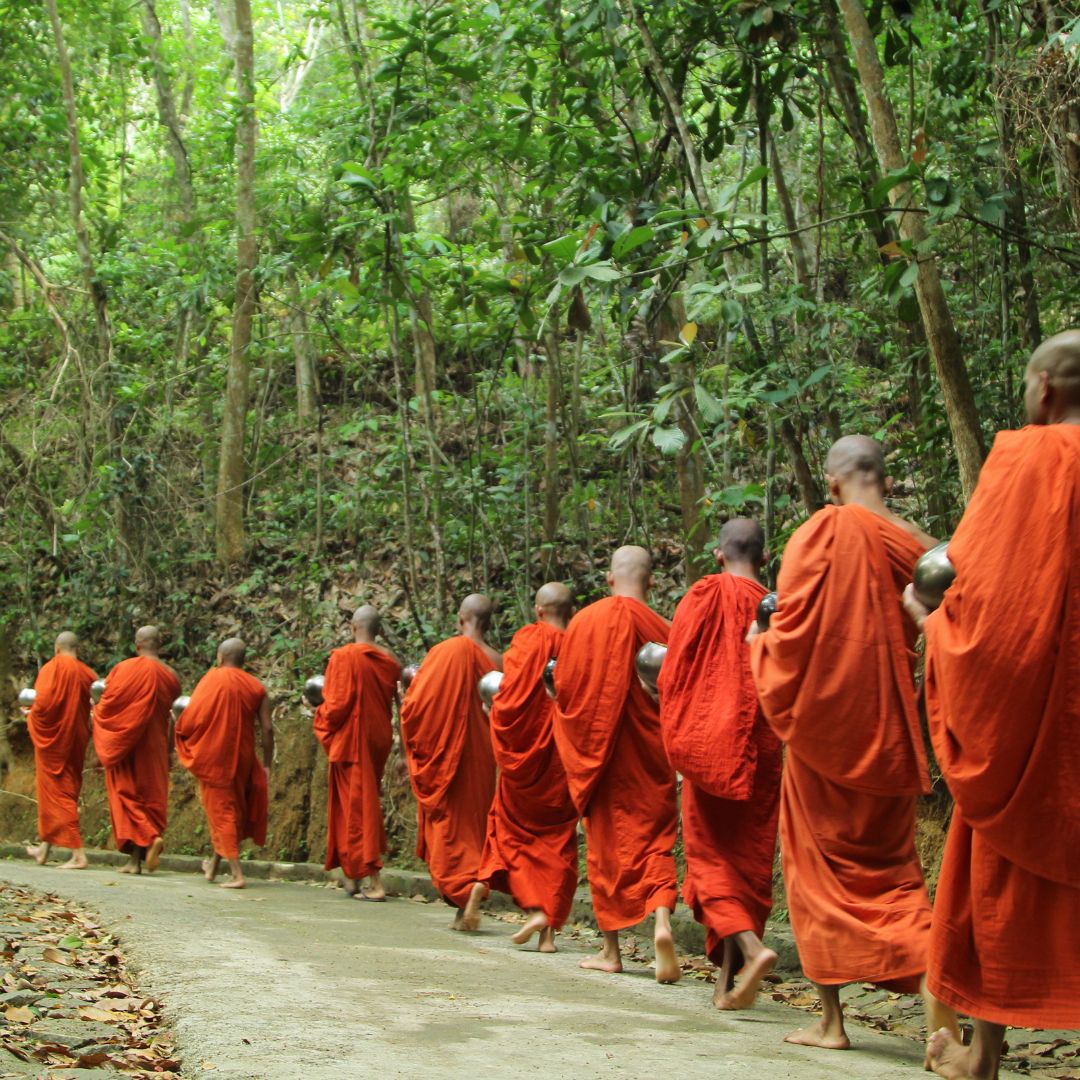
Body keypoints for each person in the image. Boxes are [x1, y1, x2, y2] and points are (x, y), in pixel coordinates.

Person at [902, 331, 1080, 1080]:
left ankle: (986, 1052)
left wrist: (931, 625)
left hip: (1043, 729)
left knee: (1000, 876)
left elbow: (994, 627)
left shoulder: (1028, 463)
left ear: (1043, 391)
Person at [748, 435, 957, 1051]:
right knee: (895, 877)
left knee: (815, 877)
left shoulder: (820, 532)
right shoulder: (921, 545)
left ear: (832, 483)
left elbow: (788, 636)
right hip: (892, 738)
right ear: (886, 482)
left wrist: (756, 646)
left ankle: (832, 1023)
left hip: (822, 741)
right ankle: (937, 998)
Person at [657, 519, 781, 1010]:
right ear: (765, 559)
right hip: (762, 749)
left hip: (707, 742)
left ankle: (751, 950)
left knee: (710, 859)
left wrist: (679, 731)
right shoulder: (777, 606)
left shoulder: (702, 595)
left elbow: (675, 671)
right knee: (746, 863)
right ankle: (725, 984)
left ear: (717, 554)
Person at [553, 546, 680, 984]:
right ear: (653, 581)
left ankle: (611, 952)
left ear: (609, 578)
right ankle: (662, 922)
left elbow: (566, 691)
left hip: (600, 759)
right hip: (649, 757)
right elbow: (677, 694)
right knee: (654, 843)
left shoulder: (585, 622)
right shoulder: (665, 628)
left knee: (606, 848)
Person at [475, 583, 578, 952]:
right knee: (559, 839)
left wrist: (493, 715)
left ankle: (535, 908)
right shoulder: (579, 646)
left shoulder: (526, 640)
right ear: (571, 611)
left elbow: (509, 699)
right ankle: (548, 933)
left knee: (516, 835)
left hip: (521, 764)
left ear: (538, 610)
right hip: (561, 762)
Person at [400, 594, 501, 929]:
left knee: (450, 827)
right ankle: (469, 896)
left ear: (461, 619)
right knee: (475, 826)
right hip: (483, 759)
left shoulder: (442, 653)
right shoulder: (498, 659)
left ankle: (464, 887)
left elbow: (416, 709)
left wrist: (405, 705)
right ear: (488, 624)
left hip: (446, 759)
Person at [313, 605, 401, 902]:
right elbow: (399, 704)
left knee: (360, 806)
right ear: (378, 630)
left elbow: (337, 705)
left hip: (355, 738)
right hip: (378, 737)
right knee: (356, 803)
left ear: (353, 627)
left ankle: (374, 880)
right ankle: (352, 876)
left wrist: (319, 715)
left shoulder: (344, 657)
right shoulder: (391, 660)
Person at [175, 638, 273, 889]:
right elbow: (267, 729)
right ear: (245, 660)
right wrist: (267, 764)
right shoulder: (256, 686)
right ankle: (213, 866)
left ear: (220, 657)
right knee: (228, 811)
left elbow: (192, 718)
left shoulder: (211, 680)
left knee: (223, 812)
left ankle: (237, 874)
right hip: (244, 757)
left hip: (216, 756)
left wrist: (181, 734)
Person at [92, 626, 180, 875]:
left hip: (126, 745)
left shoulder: (123, 669)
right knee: (149, 798)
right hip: (155, 747)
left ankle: (148, 841)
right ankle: (136, 861)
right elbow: (175, 717)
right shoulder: (171, 675)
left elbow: (108, 708)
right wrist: (171, 749)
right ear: (159, 644)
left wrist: (95, 713)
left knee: (126, 794)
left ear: (136, 644)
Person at [24, 632, 96, 870]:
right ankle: (44, 850)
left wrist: (31, 716)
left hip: (53, 742)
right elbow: (98, 706)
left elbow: (42, 705)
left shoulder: (50, 669)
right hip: (75, 741)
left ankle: (78, 854)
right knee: (61, 792)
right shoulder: (88, 674)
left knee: (60, 795)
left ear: (56, 649)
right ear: (78, 649)